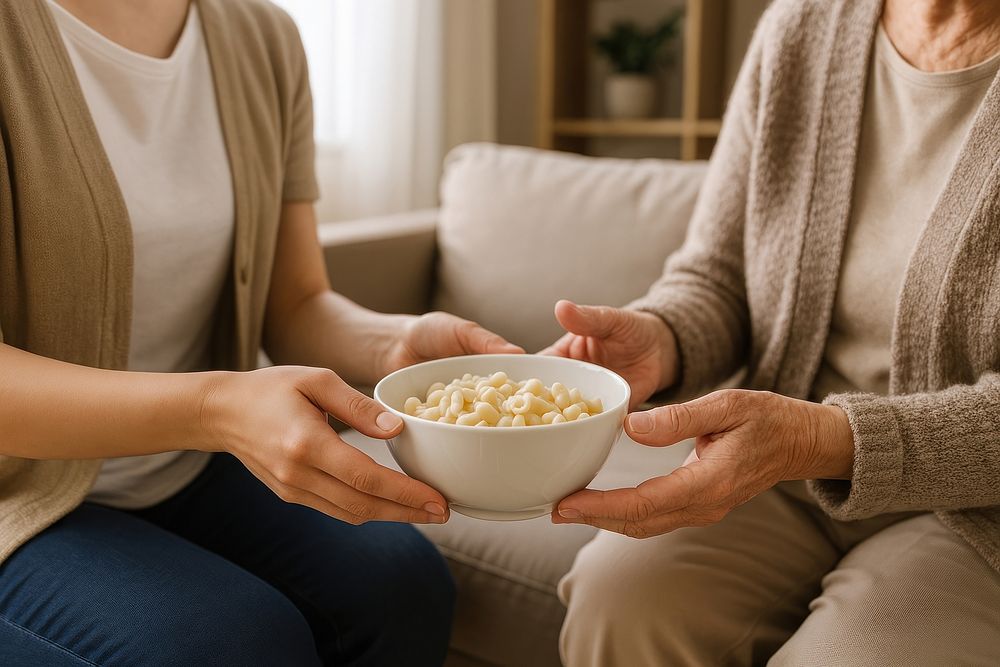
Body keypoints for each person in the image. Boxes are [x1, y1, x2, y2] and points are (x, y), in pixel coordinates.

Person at [0, 0, 523, 664]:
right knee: (230, 643)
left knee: (403, 586)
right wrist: (216, 408)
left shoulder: (262, 38)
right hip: (17, 489)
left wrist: (394, 346)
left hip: (186, 464)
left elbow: (297, 301)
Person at [545, 0, 1000, 664]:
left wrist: (827, 440)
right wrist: (664, 335)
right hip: (787, 468)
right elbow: (717, 273)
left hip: (979, 506)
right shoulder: (802, 26)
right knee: (621, 597)